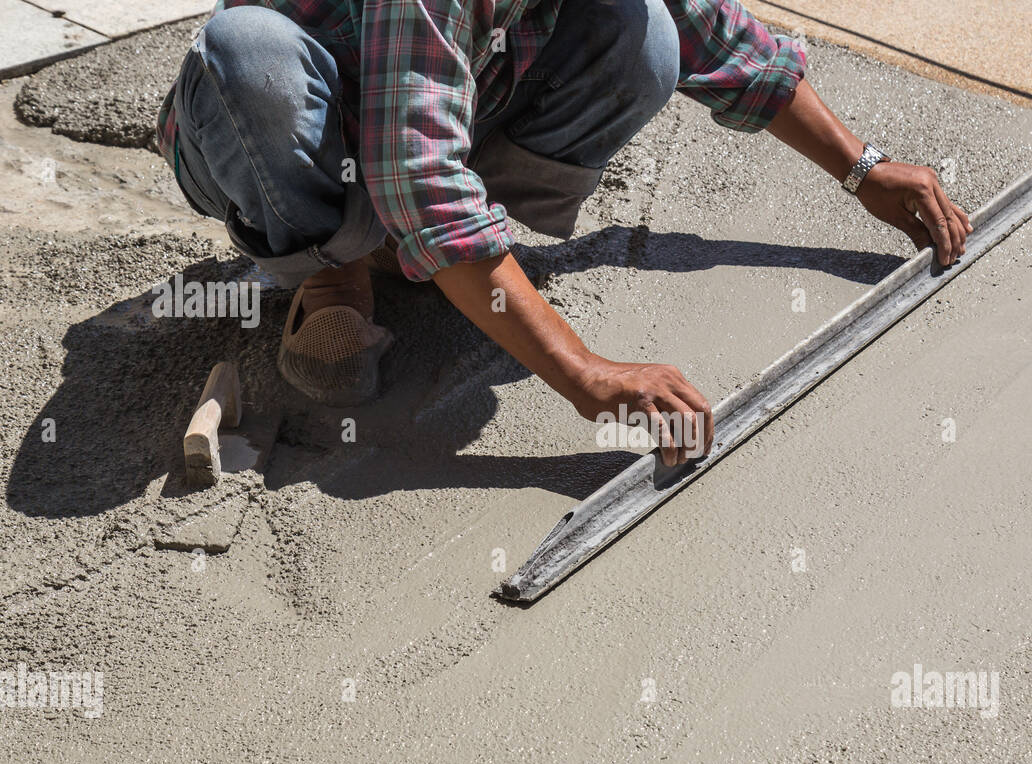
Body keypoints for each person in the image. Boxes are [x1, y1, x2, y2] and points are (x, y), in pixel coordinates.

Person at [158, 0, 971, 464]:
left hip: (414, 106)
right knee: (250, 57)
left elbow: (714, 37)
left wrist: (863, 167)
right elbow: (423, 184)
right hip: (268, 120)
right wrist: (587, 376)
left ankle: (436, 254)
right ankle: (331, 264)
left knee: (644, 32)